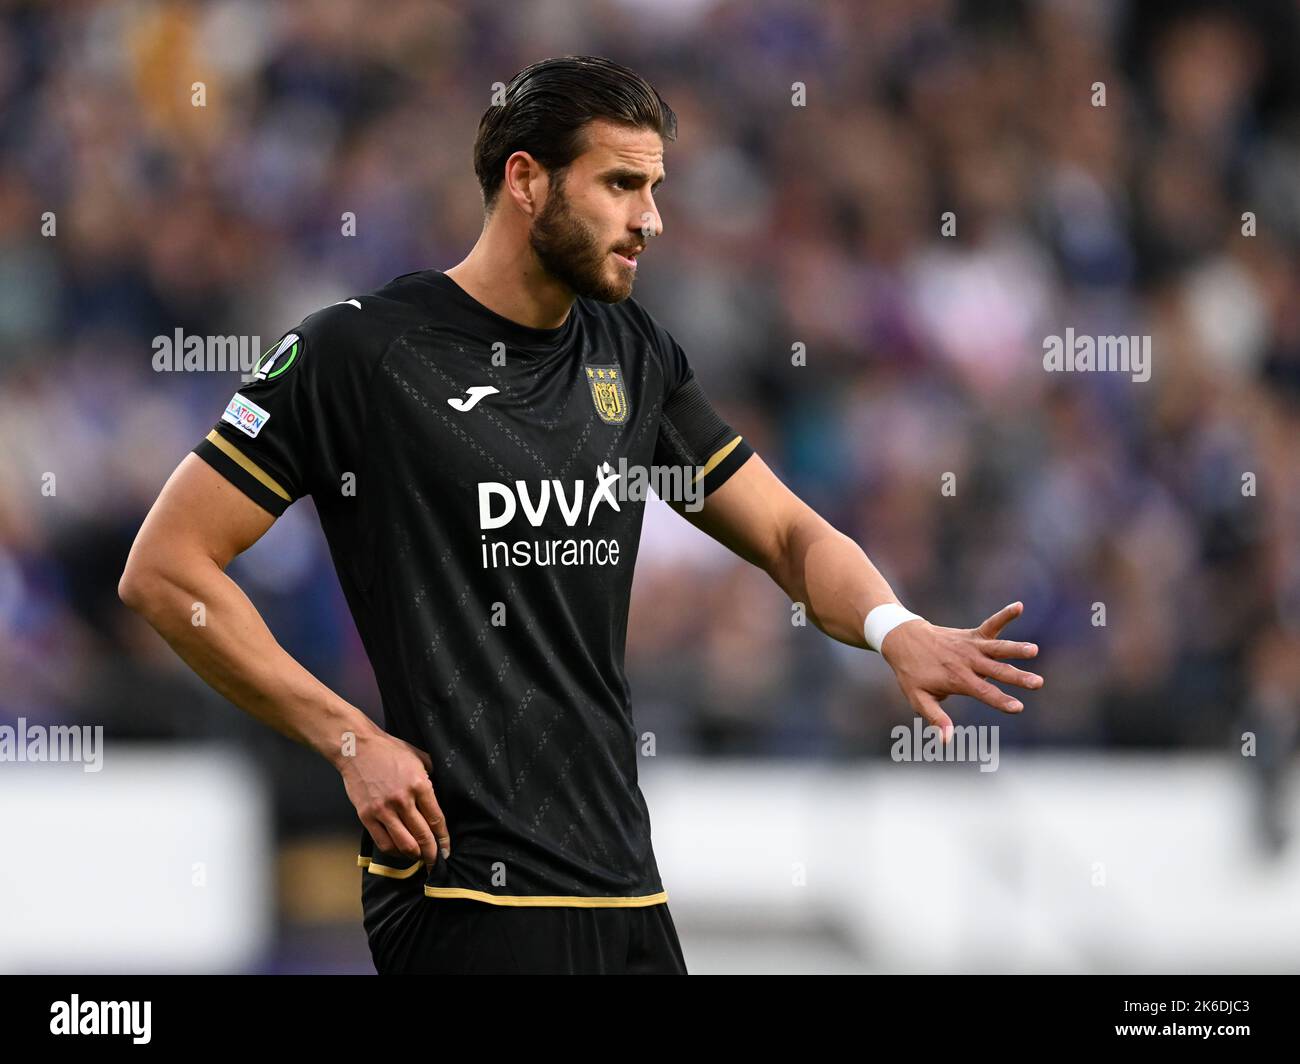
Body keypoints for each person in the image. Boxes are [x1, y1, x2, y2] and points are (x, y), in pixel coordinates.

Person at [118, 55, 1043, 975]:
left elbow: (788, 534)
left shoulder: (630, 350)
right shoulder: (360, 353)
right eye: (621, 184)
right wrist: (347, 735)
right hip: (466, 887)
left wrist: (894, 627)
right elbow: (165, 568)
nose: (652, 219)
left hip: (624, 884)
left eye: (654, 187)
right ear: (526, 180)